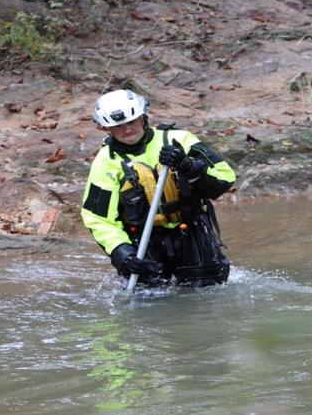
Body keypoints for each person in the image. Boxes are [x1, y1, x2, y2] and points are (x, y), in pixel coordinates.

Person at [79, 88, 237, 287]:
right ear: (107, 129)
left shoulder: (179, 140)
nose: (127, 129)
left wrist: (188, 165)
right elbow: (98, 219)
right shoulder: (105, 162)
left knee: (209, 293)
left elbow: (224, 178)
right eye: (118, 126)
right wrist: (122, 252)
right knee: (148, 298)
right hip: (143, 241)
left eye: (131, 122)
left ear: (144, 118)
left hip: (191, 233)